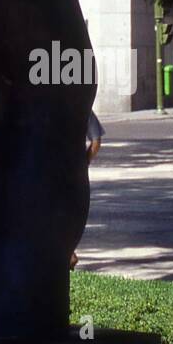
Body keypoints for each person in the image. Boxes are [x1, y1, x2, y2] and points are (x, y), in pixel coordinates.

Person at [70, 110, 104, 267]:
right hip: (75, 169)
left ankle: (68, 254)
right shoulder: (82, 105)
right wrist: (85, 162)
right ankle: (69, 252)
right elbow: (96, 142)